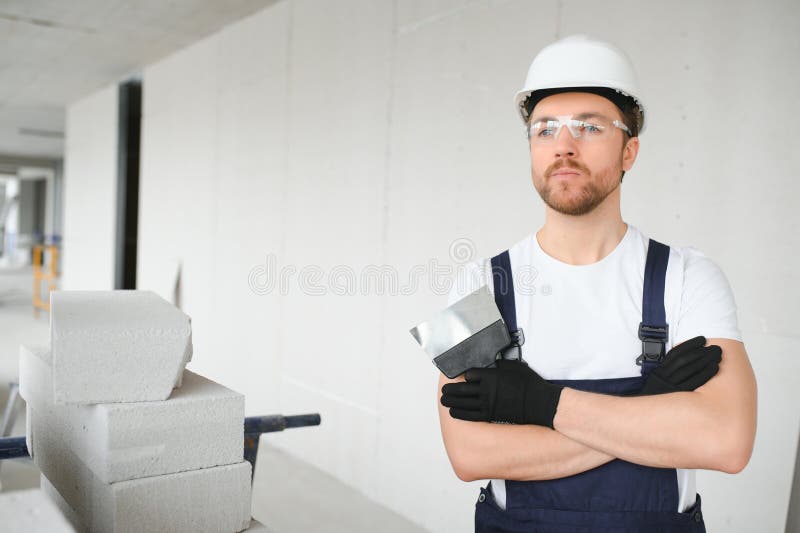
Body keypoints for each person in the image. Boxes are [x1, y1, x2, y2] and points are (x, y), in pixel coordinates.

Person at [437, 35, 757, 532]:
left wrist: (540, 406)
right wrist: (649, 410)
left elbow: (727, 443)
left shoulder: (692, 277)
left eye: (589, 126)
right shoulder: (473, 285)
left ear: (630, 151)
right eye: (545, 129)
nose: (564, 145)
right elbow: (469, 455)